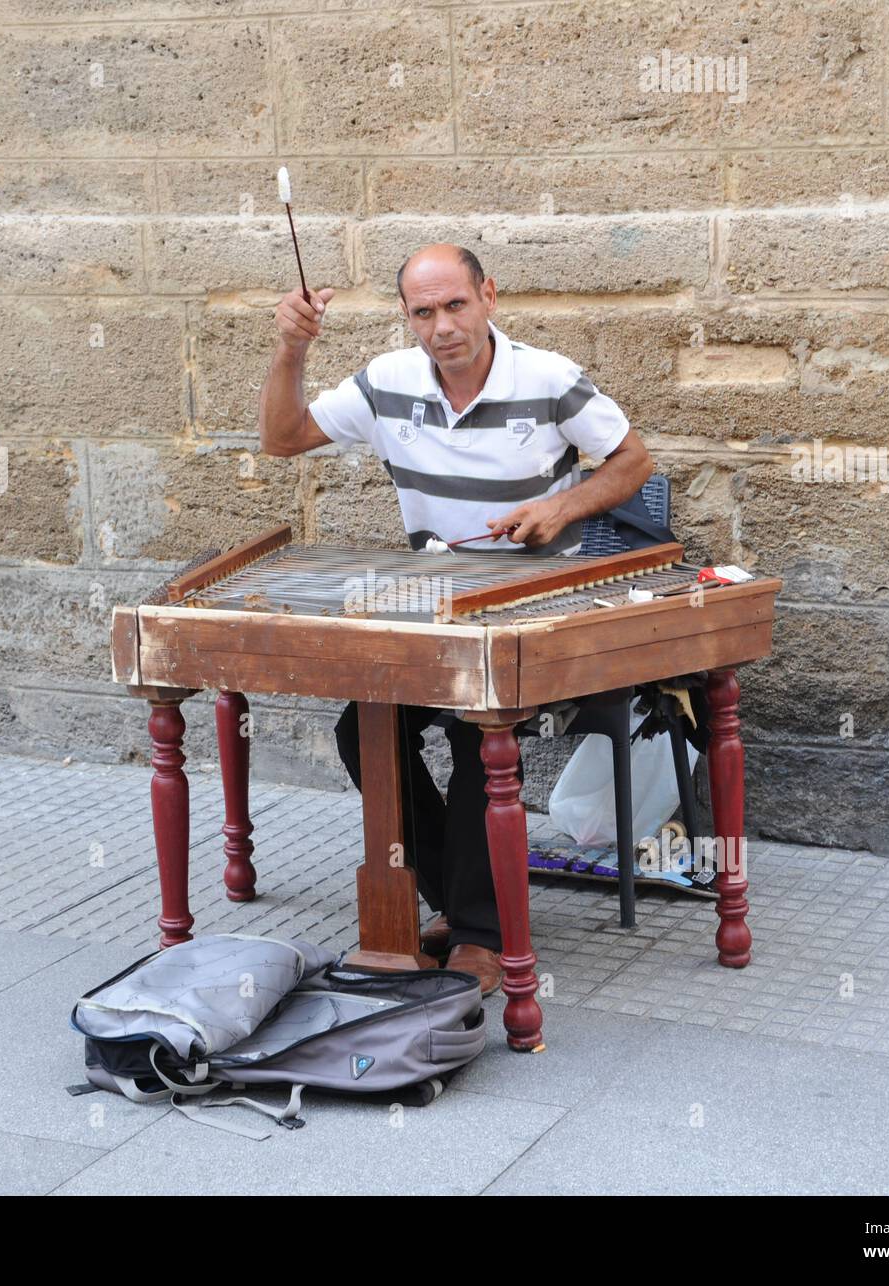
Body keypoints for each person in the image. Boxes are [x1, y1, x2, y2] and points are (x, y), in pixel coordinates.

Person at [256, 244, 654, 993]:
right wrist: (290, 349)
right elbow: (282, 439)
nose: (443, 326)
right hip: (437, 602)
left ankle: (480, 933)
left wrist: (559, 506)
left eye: (456, 305)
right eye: (424, 312)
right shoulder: (387, 383)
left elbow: (633, 462)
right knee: (362, 731)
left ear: (489, 296)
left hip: (538, 604)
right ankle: (459, 899)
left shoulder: (549, 379)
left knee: (481, 732)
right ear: (409, 318)